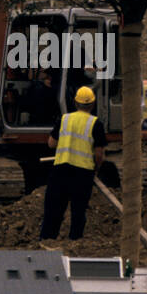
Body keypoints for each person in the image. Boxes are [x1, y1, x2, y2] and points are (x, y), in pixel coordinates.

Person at [40, 86, 106, 242]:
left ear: (75, 102)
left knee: (53, 210)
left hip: (60, 170)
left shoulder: (64, 119)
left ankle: (46, 240)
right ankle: (75, 242)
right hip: (83, 174)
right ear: (92, 104)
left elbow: (51, 143)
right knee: (78, 211)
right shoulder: (96, 124)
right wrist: (96, 169)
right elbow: (99, 154)